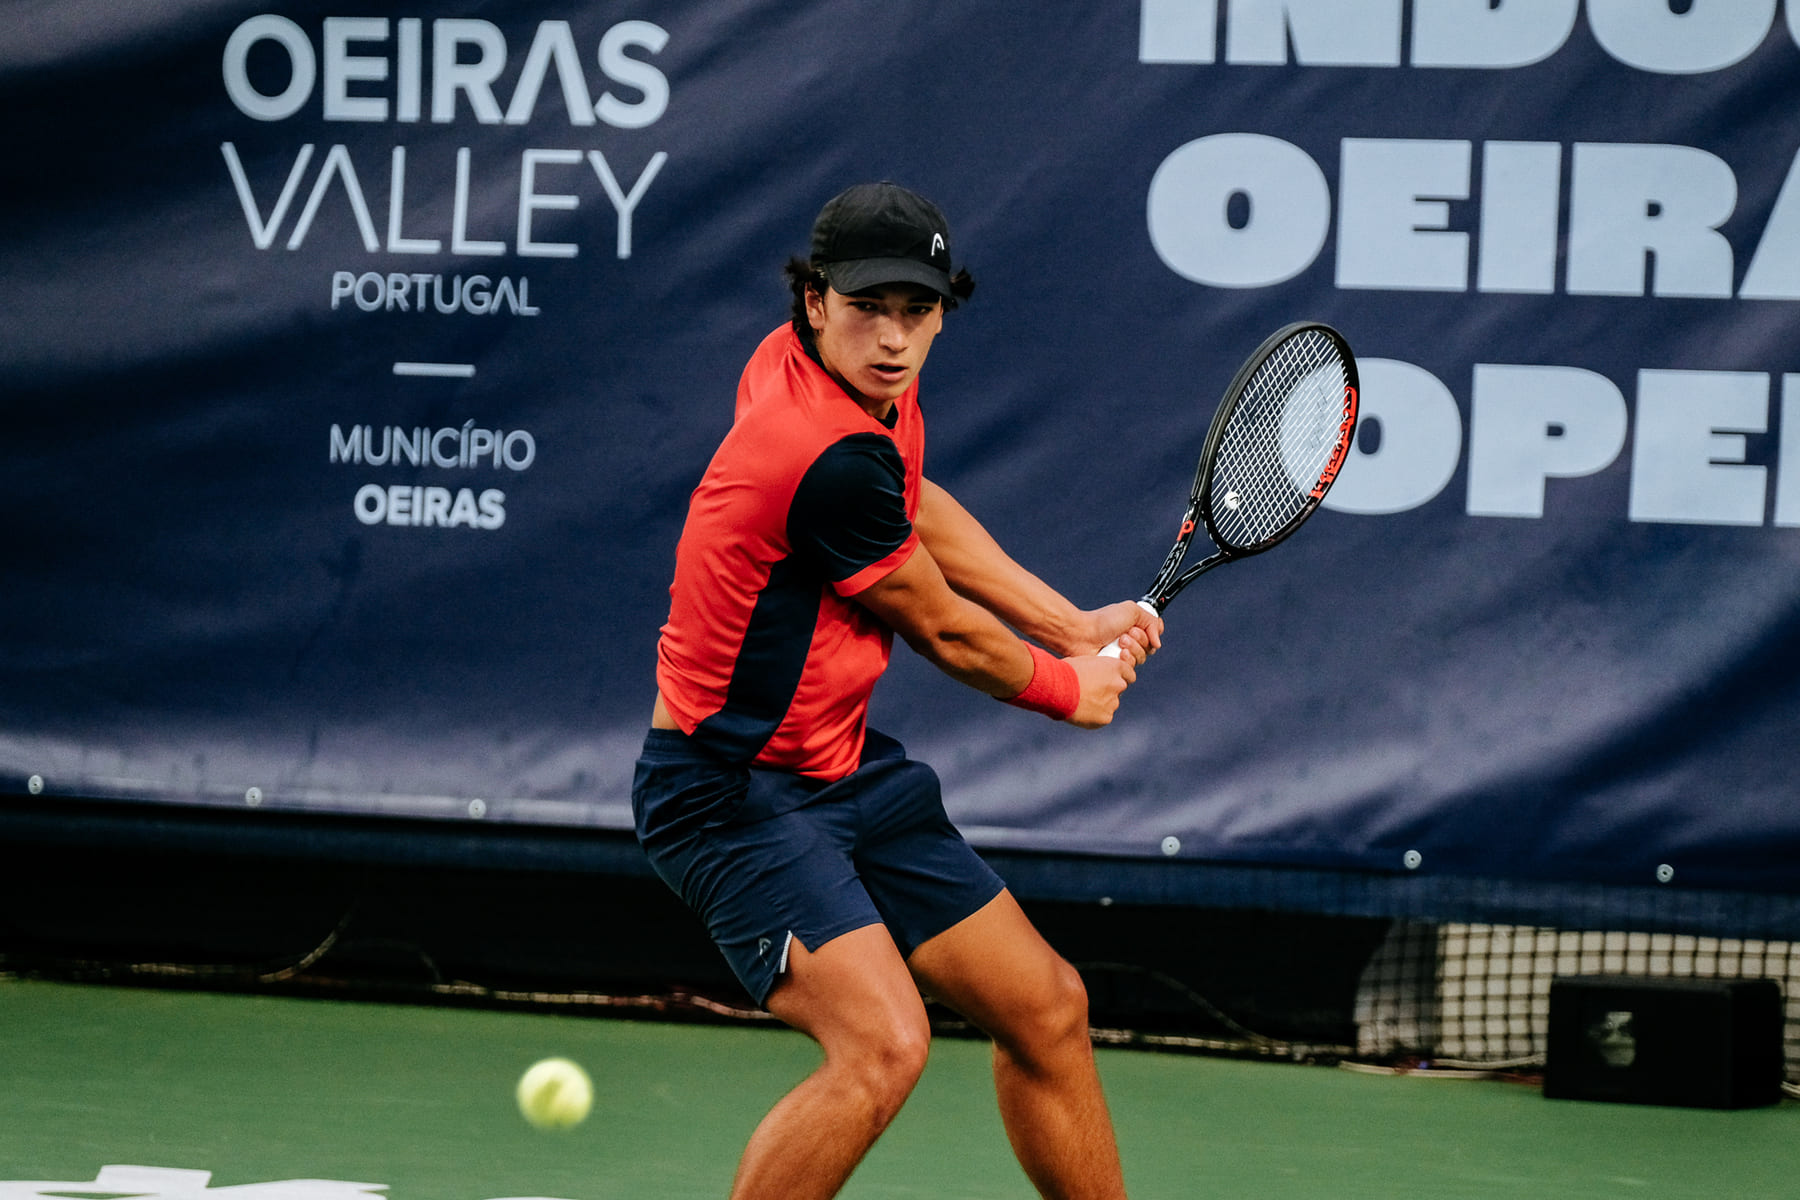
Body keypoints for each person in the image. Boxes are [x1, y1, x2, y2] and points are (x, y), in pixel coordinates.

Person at [632, 181, 1161, 1200]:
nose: (893, 337)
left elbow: (912, 502)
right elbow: (944, 626)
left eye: (917, 311)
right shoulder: (815, 448)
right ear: (815, 299)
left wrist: (1070, 622)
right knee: (884, 1046)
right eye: (868, 306)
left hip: (842, 768)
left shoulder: (852, 389)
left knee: (1046, 1006)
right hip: (727, 793)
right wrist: (1069, 688)